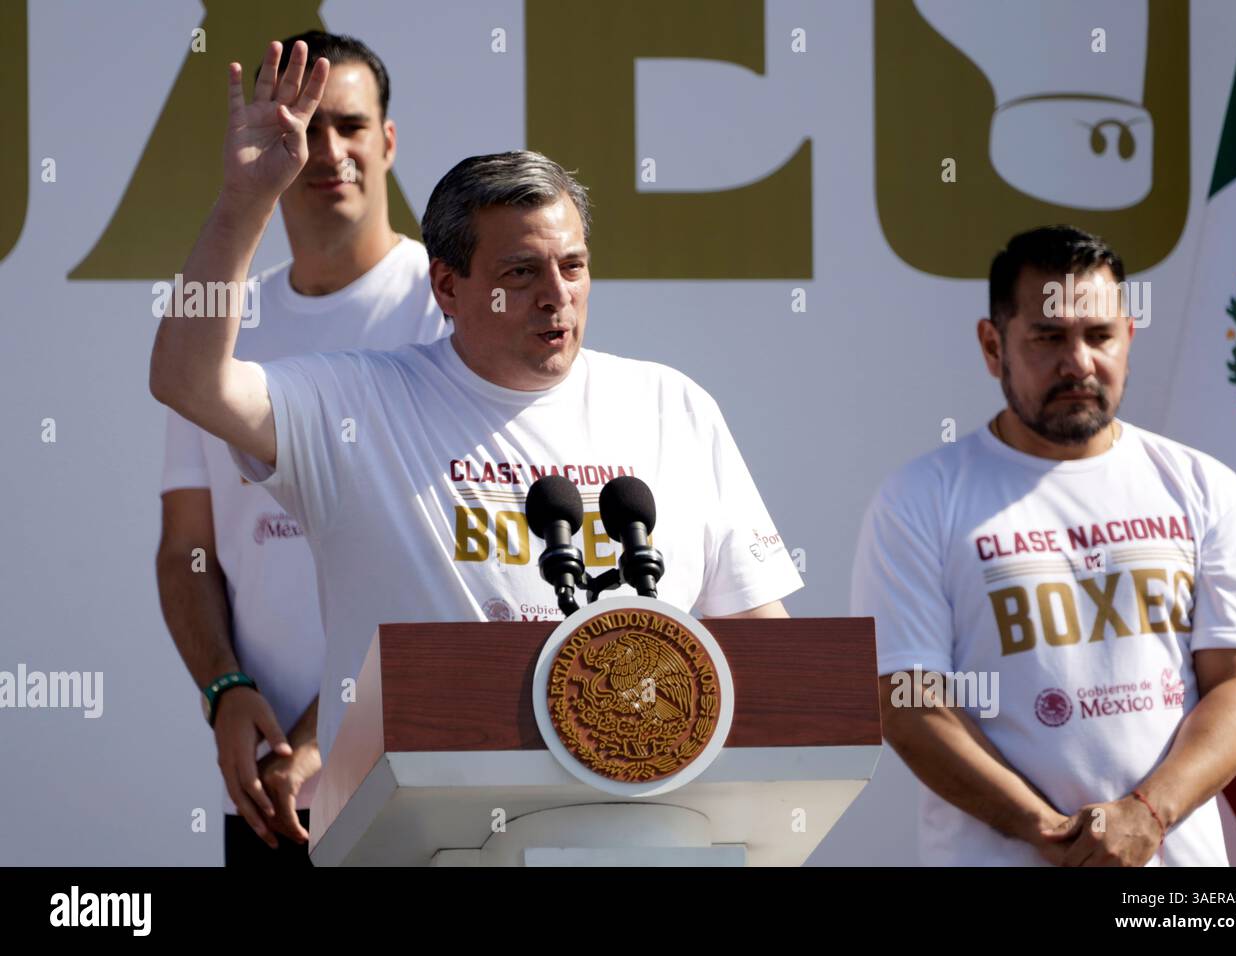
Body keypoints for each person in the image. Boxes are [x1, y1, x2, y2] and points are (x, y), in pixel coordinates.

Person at [149, 40, 802, 779]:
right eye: (520, 272)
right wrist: (244, 202)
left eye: (574, 266)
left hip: (640, 827)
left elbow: (765, 661)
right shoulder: (357, 401)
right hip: (420, 834)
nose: (556, 295)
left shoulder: (673, 407)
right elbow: (187, 380)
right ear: (448, 289)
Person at [851, 225, 1236, 866]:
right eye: (1049, 337)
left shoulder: (1205, 488)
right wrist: (1050, 833)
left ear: (1128, 339)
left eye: (1099, 336)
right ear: (993, 346)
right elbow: (909, 703)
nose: (1079, 362)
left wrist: (1147, 814)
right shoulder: (918, 501)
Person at [155, 31, 446, 867]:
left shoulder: (448, 312)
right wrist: (224, 690)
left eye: (349, 125)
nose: (327, 151)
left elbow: (439, 560)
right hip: (269, 794)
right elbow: (187, 550)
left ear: (388, 142)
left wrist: (329, 732)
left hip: (416, 780)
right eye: (303, 128)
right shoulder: (217, 330)